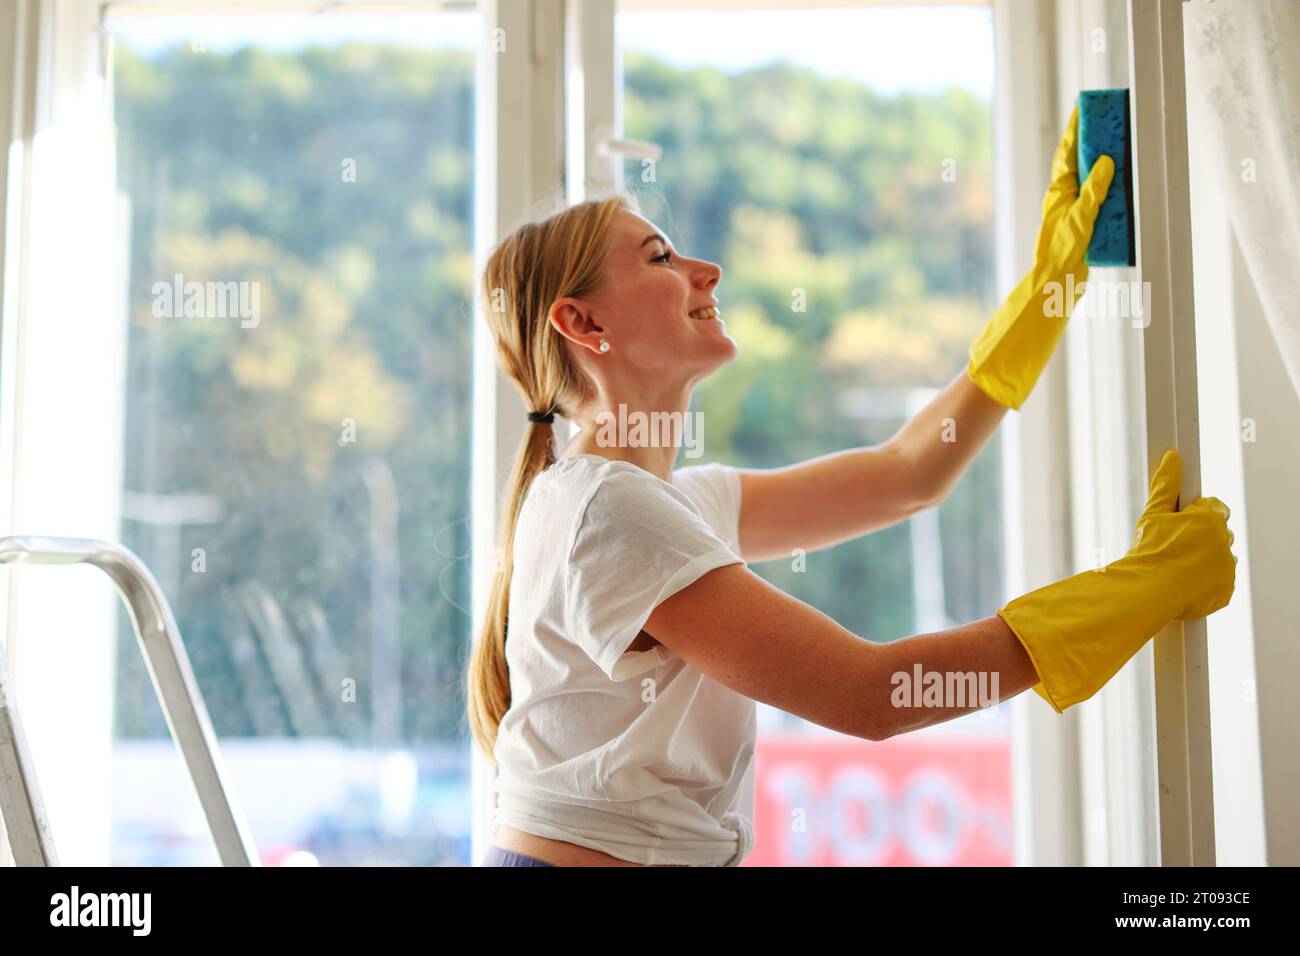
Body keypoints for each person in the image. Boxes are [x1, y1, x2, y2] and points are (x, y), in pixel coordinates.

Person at [466, 106, 1237, 867]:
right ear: (582, 322)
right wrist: (1138, 591)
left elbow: (909, 474)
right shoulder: (612, 511)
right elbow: (871, 695)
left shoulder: (668, 505)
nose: (709, 271)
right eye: (661, 258)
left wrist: (1045, 294)